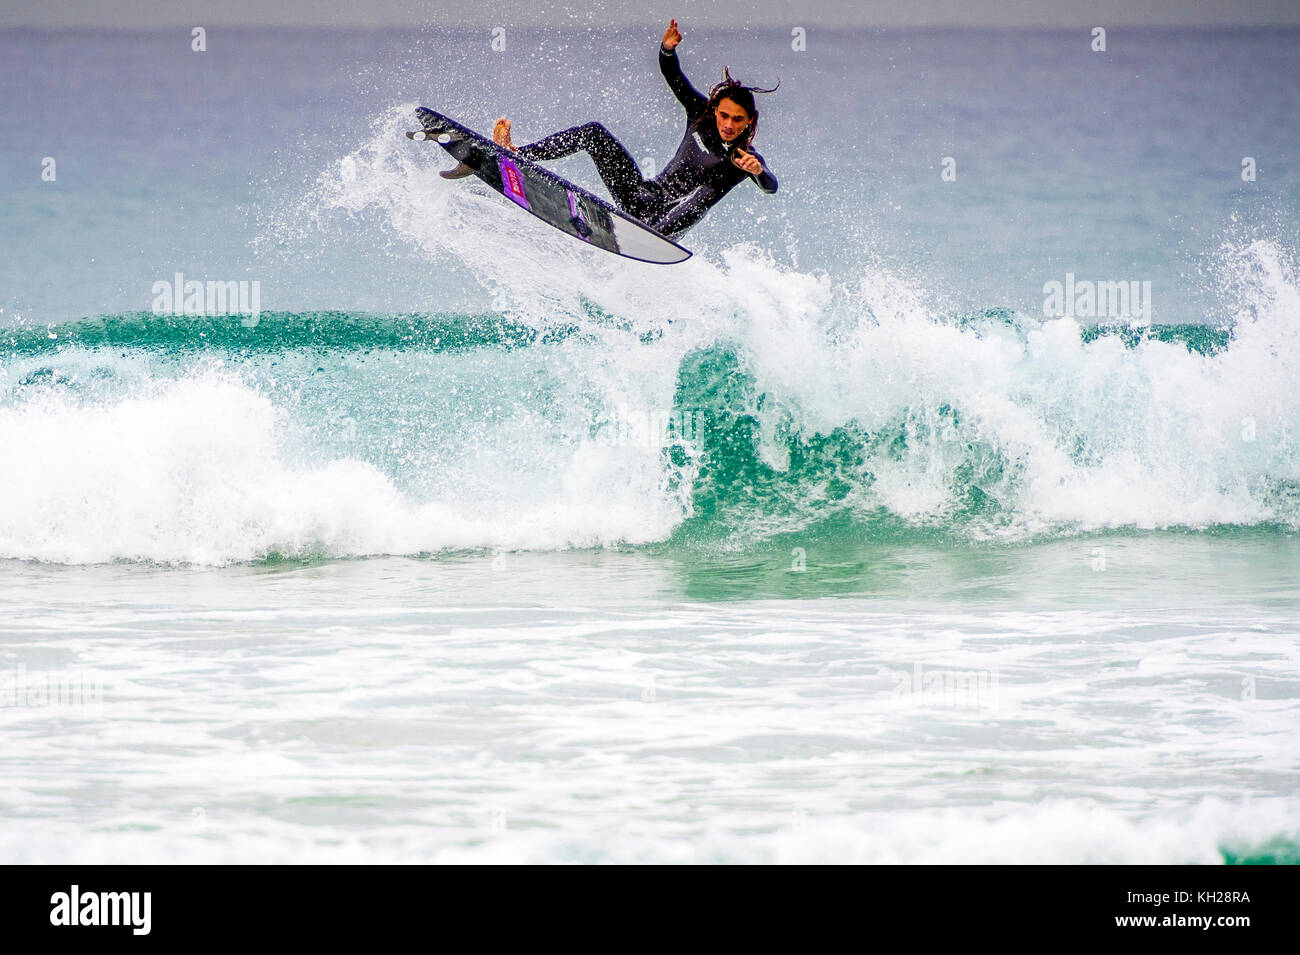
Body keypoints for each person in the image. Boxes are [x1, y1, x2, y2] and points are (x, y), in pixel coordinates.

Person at [488, 18, 778, 237]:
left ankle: (650, 235)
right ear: (716, 110)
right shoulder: (701, 114)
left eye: (737, 120)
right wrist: (666, 50)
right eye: (724, 115)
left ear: (749, 121)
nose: (728, 124)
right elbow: (674, 76)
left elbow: (770, 187)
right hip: (642, 198)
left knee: (701, 200)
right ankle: (516, 154)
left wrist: (759, 172)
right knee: (593, 133)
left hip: (667, 224)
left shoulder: (743, 158)